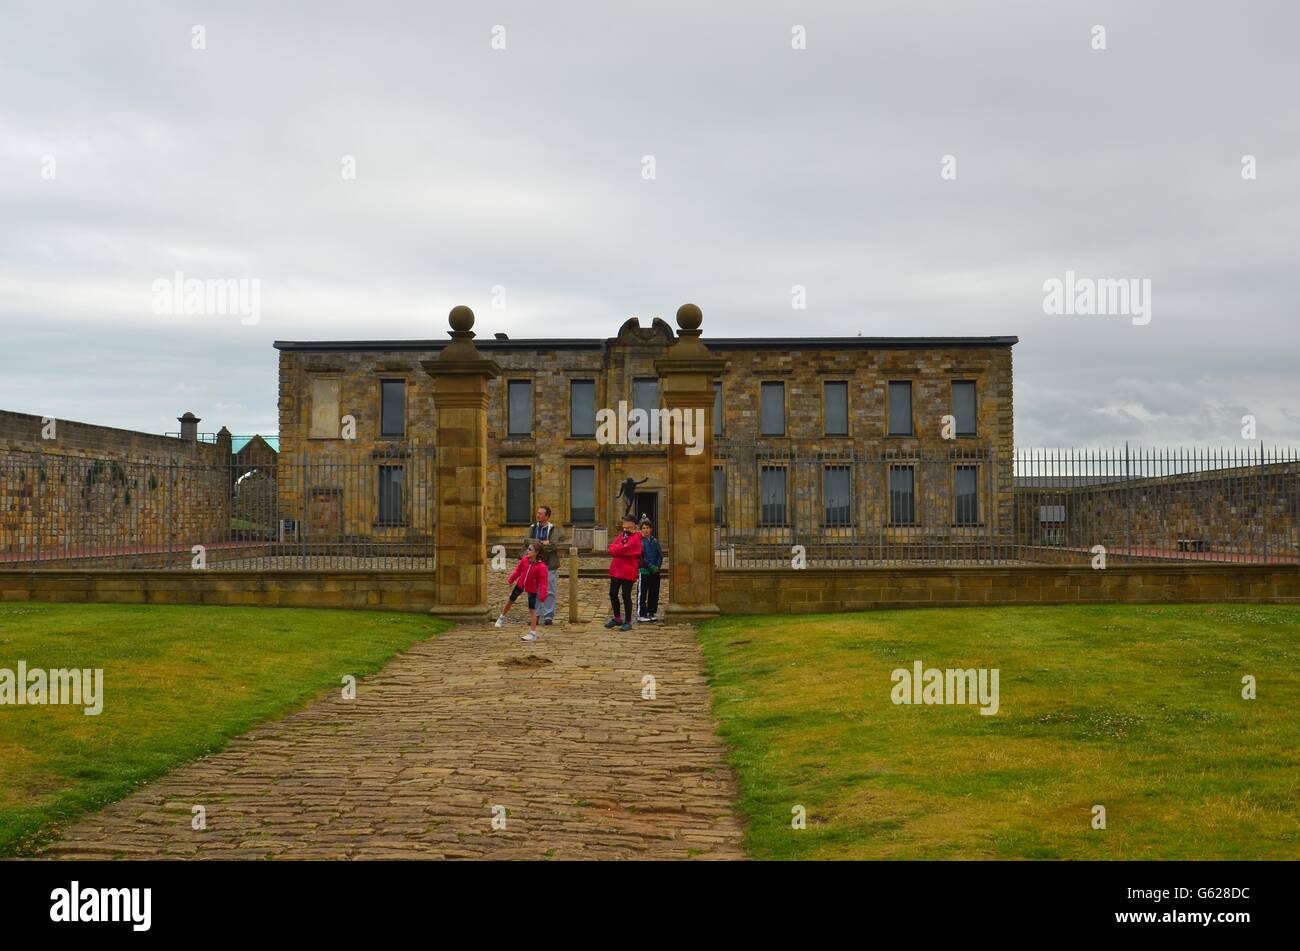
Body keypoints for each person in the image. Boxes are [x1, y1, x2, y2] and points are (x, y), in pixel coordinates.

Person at [495, 542, 549, 641]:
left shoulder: (541, 567)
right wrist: (511, 579)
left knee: (532, 609)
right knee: (511, 600)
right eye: (527, 548)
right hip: (520, 584)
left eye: (530, 549)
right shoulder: (524, 560)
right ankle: (502, 617)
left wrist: (542, 595)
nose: (527, 551)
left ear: (536, 552)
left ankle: (532, 633)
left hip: (532, 588)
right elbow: (518, 571)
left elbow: (543, 583)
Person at [524, 506, 562, 625]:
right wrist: (541, 542)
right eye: (537, 513)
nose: (538, 515)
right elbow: (526, 541)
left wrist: (535, 544)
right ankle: (535, 615)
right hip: (534, 564)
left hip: (549, 564)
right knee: (533, 590)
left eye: (540, 514)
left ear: (546, 516)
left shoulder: (553, 529)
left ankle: (548, 615)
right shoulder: (532, 527)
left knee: (549, 590)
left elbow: (553, 545)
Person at [604, 514, 642, 632]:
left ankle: (628, 621)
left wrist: (619, 548)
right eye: (624, 524)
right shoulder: (622, 536)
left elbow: (629, 549)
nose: (624, 527)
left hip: (628, 571)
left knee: (626, 596)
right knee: (613, 593)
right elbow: (611, 549)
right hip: (616, 570)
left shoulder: (637, 537)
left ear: (633, 524)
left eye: (627, 524)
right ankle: (617, 618)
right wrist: (620, 547)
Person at [636, 517, 663, 622]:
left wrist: (657, 566)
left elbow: (660, 555)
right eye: (643, 528)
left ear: (651, 529)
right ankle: (641, 613)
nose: (646, 530)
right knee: (642, 593)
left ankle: (651, 612)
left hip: (655, 572)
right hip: (644, 571)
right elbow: (641, 557)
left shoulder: (655, 541)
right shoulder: (640, 542)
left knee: (654, 592)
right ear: (641, 530)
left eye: (647, 527)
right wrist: (650, 566)